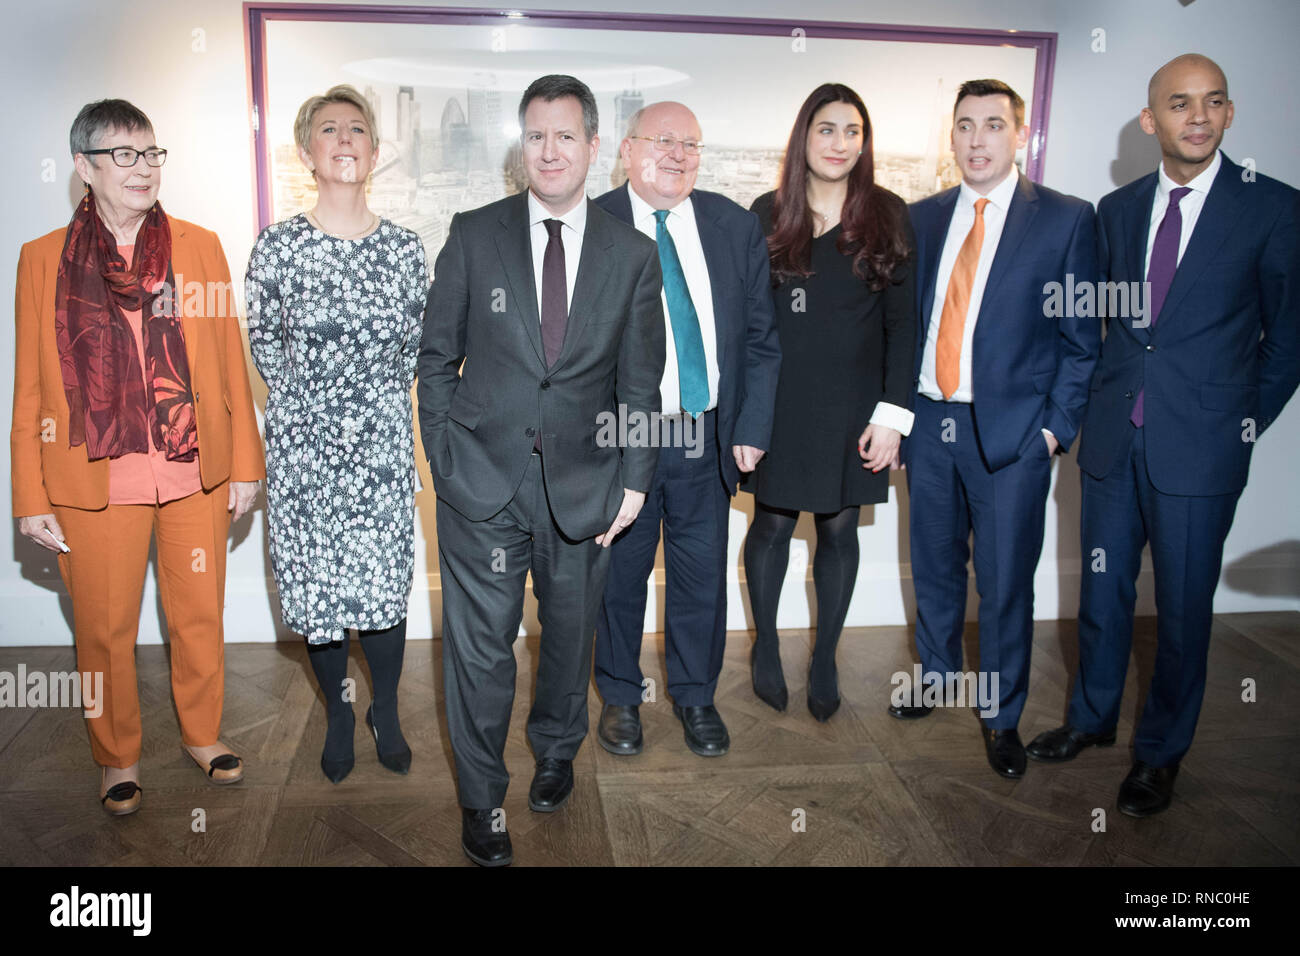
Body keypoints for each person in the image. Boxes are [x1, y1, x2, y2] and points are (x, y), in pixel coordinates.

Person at [1027, 55, 1300, 816]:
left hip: (1203, 449)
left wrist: (1239, 423)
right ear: (1152, 121)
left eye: (1213, 102)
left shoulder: (1273, 209)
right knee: (1104, 595)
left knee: (1181, 611)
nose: (1198, 117)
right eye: (1179, 104)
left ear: (1230, 113)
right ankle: (1090, 720)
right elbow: (1109, 327)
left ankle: (1160, 755)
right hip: (1115, 441)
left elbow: (1289, 339)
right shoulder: (1115, 210)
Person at [418, 75, 665, 866]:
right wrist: (446, 459)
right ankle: (482, 800)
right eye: (535, 136)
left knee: (568, 638)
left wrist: (632, 482)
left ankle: (557, 749)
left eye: (565, 136)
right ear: (520, 147)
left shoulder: (633, 255)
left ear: (594, 147)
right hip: (480, 486)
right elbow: (434, 361)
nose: (549, 151)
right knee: (481, 650)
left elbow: (640, 382)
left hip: (587, 488)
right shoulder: (475, 232)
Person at [10, 99, 264, 814]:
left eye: (151, 154)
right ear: (84, 167)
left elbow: (226, 365)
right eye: (123, 155)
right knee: (103, 626)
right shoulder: (40, 260)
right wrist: (29, 497)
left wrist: (246, 463)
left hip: (192, 470)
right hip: (93, 481)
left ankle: (203, 735)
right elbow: (30, 387)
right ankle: (115, 755)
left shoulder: (199, 245)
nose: (142, 168)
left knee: (198, 613)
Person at [889, 79, 1099, 779]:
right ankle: (940, 674)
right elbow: (904, 327)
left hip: (1013, 435)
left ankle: (1002, 715)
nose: (977, 139)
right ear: (951, 137)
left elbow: (1081, 339)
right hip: (930, 423)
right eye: (965, 126)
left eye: (993, 125)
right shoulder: (921, 219)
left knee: (1006, 580)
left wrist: (1053, 431)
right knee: (937, 562)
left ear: (1019, 135)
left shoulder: (1067, 219)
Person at [246, 85, 427, 784]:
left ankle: (387, 711)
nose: (345, 139)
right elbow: (265, 345)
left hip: (380, 449)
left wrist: (363, 408)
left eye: (358, 129)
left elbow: (417, 351)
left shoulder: (407, 252)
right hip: (305, 452)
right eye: (329, 129)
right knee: (318, 598)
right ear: (307, 153)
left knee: (383, 590)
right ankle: (342, 712)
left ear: (375, 152)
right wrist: (318, 408)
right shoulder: (278, 248)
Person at [591, 101, 780, 757]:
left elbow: (761, 338)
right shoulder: (594, 225)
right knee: (621, 576)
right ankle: (620, 698)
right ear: (626, 149)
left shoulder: (733, 226)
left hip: (706, 436)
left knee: (702, 577)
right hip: (624, 440)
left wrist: (751, 425)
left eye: (691, 145)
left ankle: (697, 698)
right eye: (663, 141)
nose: (678, 155)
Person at [743, 83, 916, 722]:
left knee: (839, 529)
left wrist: (893, 416)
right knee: (773, 524)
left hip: (855, 410)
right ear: (803, 137)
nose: (839, 143)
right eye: (826, 129)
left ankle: (825, 658)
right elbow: (747, 326)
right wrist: (745, 414)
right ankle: (765, 645)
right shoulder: (766, 213)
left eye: (852, 131)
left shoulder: (890, 215)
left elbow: (906, 327)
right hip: (780, 404)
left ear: (864, 143)